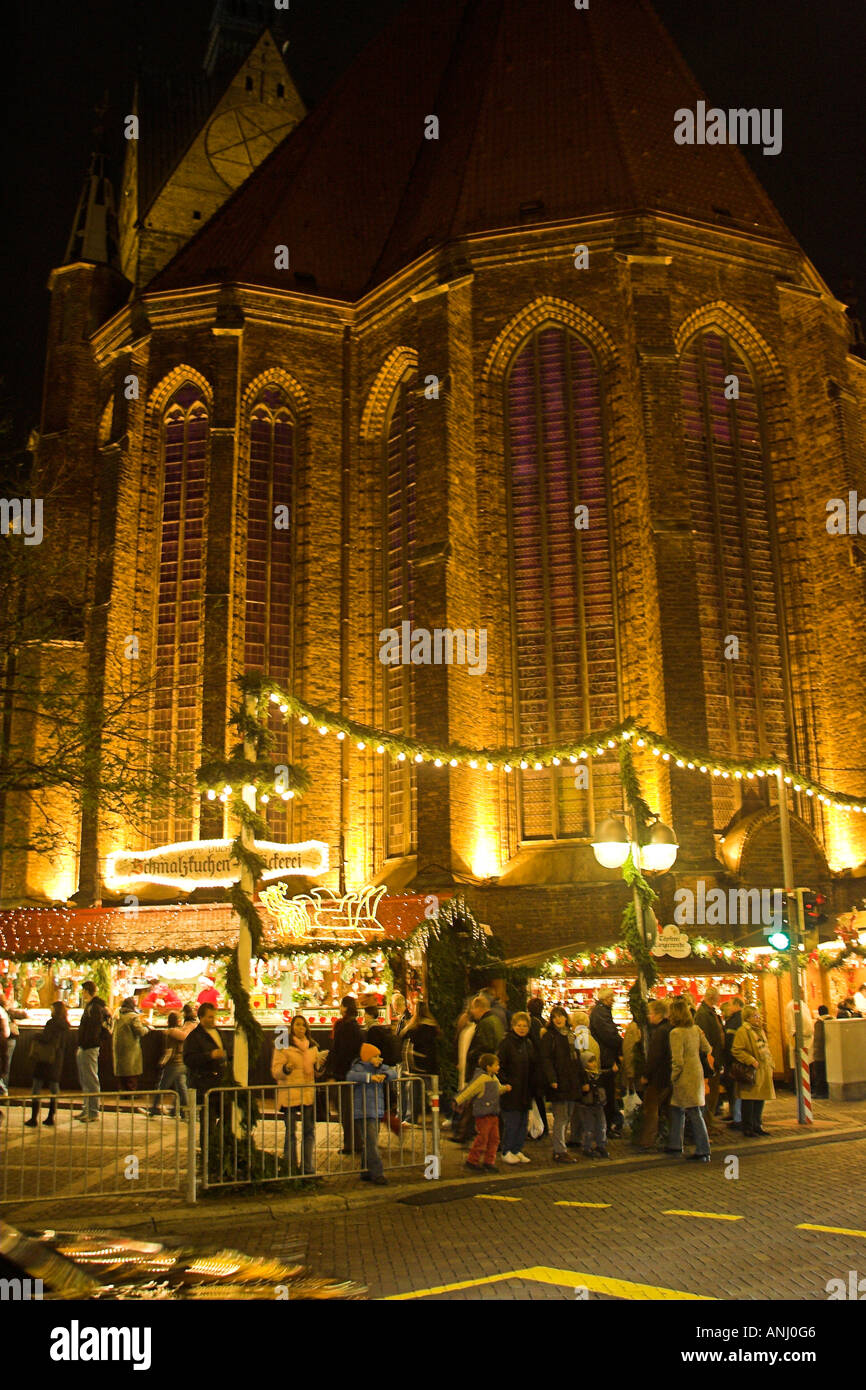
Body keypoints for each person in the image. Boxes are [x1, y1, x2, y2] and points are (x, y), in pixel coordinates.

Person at [272, 1014, 321, 1176]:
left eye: (303, 1025)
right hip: (290, 1094)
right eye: (297, 1024)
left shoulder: (312, 1047)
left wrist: (320, 1067)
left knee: (309, 1131)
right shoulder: (283, 1045)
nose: (301, 1028)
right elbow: (275, 1070)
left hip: (307, 1093)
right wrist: (285, 1069)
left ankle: (308, 1167)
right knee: (290, 1132)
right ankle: (290, 1168)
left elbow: (316, 1072)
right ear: (292, 1027)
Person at [666, 995, 711, 1162]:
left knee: (691, 1111)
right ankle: (675, 1143)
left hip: (684, 1076)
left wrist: (673, 1077)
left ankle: (702, 1149)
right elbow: (707, 1048)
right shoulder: (696, 1029)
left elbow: (677, 1060)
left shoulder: (676, 1033)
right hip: (696, 1071)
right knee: (680, 1108)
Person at [346, 1042, 397, 1186]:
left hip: (376, 1111)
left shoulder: (380, 1068)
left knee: (370, 1142)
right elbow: (350, 1076)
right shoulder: (359, 1067)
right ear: (367, 1058)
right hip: (363, 1111)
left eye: (379, 1056)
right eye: (375, 1056)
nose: (379, 1059)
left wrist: (385, 1075)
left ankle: (366, 1170)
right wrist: (370, 1078)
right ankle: (377, 1173)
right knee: (371, 1143)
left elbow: (393, 1072)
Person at [539, 1005, 584, 1162]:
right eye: (555, 1017)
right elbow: (546, 1060)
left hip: (571, 1081)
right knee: (561, 1117)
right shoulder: (549, 1037)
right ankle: (560, 1150)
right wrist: (552, 1079)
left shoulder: (571, 1036)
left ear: (566, 1018)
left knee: (567, 1115)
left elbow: (577, 1059)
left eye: (560, 1016)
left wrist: (583, 1080)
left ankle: (561, 1147)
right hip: (559, 1082)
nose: (558, 1019)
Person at [455, 1052, 511, 1172]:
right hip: (483, 1115)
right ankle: (472, 1160)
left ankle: (489, 1161)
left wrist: (504, 1088)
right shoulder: (482, 1079)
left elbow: (497, 1090)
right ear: (488, 1067)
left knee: (494, 1138)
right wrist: (458, 1100)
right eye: (496, 1065)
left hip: (493, 1113)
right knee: (483, 1138)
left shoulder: (493, 1078)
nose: (498, 1067)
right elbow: (469, 1091)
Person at [496, 1011, 538, 1164]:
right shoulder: (506, 1044)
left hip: (525, 1090)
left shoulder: (528, 1044)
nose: (522, 1028)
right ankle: (507, 1150)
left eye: (525, 1026)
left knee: (523, 1122)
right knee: (512, 1122)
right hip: (511, 1090)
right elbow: (499, 1066)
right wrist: (505, 1083)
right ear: (513, 1026)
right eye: (519, 1025)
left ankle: (517, 1149)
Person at [731, 1004, 775, 1137]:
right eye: (755, 1016)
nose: (758, 1018)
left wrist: (770, 1063)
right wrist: (750, 1060)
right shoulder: (743, 1031)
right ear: (747, 1018)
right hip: (752, 1071)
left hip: (763, 1069)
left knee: (760, 1098)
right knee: (749, 1099)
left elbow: (766, 1049)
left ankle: (757, 1124)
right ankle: (748, 1127)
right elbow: (736, 1049)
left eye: (758, 1015)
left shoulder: (760, 1031)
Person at [25, 1001, 69, 1127]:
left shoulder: (52, 1023)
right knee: (54, 1087)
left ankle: (34, 1117)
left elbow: (47, 1038)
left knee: (37, 1086)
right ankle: (51, 1116)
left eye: (52, 1009)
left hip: (44, 1058)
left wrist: (37, 1036)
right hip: (57, 1059)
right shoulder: (65, 1025)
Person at [330, 996, 364, 1154]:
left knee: (346, 1110)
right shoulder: (356, 1026)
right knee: (352, 1109)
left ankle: (351, 1144)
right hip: (355, 1072)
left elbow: (339, 1051)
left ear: (344, 1007)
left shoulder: (343, 1027)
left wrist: (333, 1072)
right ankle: (357, 1141)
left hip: (344, 1074)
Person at [76, 980, 112, 1122]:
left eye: (83, 991)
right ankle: (86, 1109)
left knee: (90, 1079)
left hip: (89, 1047)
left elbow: (93, 1029)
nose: (82, 993)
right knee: (85, 1079)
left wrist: (86, 1043)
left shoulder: (94, 1007)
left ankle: (93, 1112)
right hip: (86, 1046)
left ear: (86, 991)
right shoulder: (92, 1006)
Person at [639, 998, 672, 1149]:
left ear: (659, 1014)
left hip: (658, 1077)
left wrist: (646, 1075)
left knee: (651, 1109)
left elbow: (654, 1056)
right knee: (668, 1108)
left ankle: (648, 1140)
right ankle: (670, 1137)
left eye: (651, 1013)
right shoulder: (670, 1029)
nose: (649, 1016)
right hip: (669, 1076)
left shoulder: (660, 1032)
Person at [590, 987, 623, 1137]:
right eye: (611, 998)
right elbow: (608, 1035)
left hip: (605, 1057)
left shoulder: (600, 1011)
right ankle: (606, 1128)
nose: (613, 1000)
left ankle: (606, 1126)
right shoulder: (601, 1012)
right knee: (607, 1095)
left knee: (608, 1095)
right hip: (605, 1059)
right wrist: (620, 1044)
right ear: (604, 998)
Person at [149, 1010, 195, 1118]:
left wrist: (163, 1061)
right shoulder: (179, 1031)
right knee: (182, 1088)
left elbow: (170, 1050)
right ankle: (184, 1110)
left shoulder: (172, 1032)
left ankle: (154, 1108)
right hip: (181, 1063)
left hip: (173, 1064)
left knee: (162, 1087)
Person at [695, 987, 726, 1132]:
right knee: (709, 1093)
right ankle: (706, 1124)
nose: (720, 999)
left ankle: (709, 1121)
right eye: (718, 996)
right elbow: (705, 1038)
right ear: (712, 997)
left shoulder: (711, 1012)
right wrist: (710, 1058)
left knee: (713, 1092)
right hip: (710, 1060)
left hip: (716, 1058)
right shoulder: (703, 1014)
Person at [113, 997, 149, 1103]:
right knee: (131, 1070)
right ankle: (131, 1093)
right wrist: (147, 1028)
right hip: (130, 1047)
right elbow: (140, 1031)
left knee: (121, 1070)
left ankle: (122, 1092)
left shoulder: (117, 1015)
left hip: (118, 1047)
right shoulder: (133, 1016)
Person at [784, 997, 815, 1082]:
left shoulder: (803, 1004)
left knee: (809, 1066)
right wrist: (795, 1035)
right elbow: (790, 1024)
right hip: (799, 1040)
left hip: (808, 1039)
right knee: (800, 1067)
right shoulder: (791, 1006)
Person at [0, 996, 26, 1095]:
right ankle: (4, 1090)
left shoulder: (2, 1011)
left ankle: (3, 1090)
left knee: (4, 1066)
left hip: (5, 1042)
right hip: (7, 1041)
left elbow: (6, 1032)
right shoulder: (4, 1011)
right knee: (5, 1065)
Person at [811, 1005, 829, 1098]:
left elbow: (818, 1039)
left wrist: (815, 1051)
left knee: (820, 1074)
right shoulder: (831, 1020)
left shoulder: (819, 1023)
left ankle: (820, 1092)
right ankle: (827, 1091)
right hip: (830, 1053)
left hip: (820, 1054)